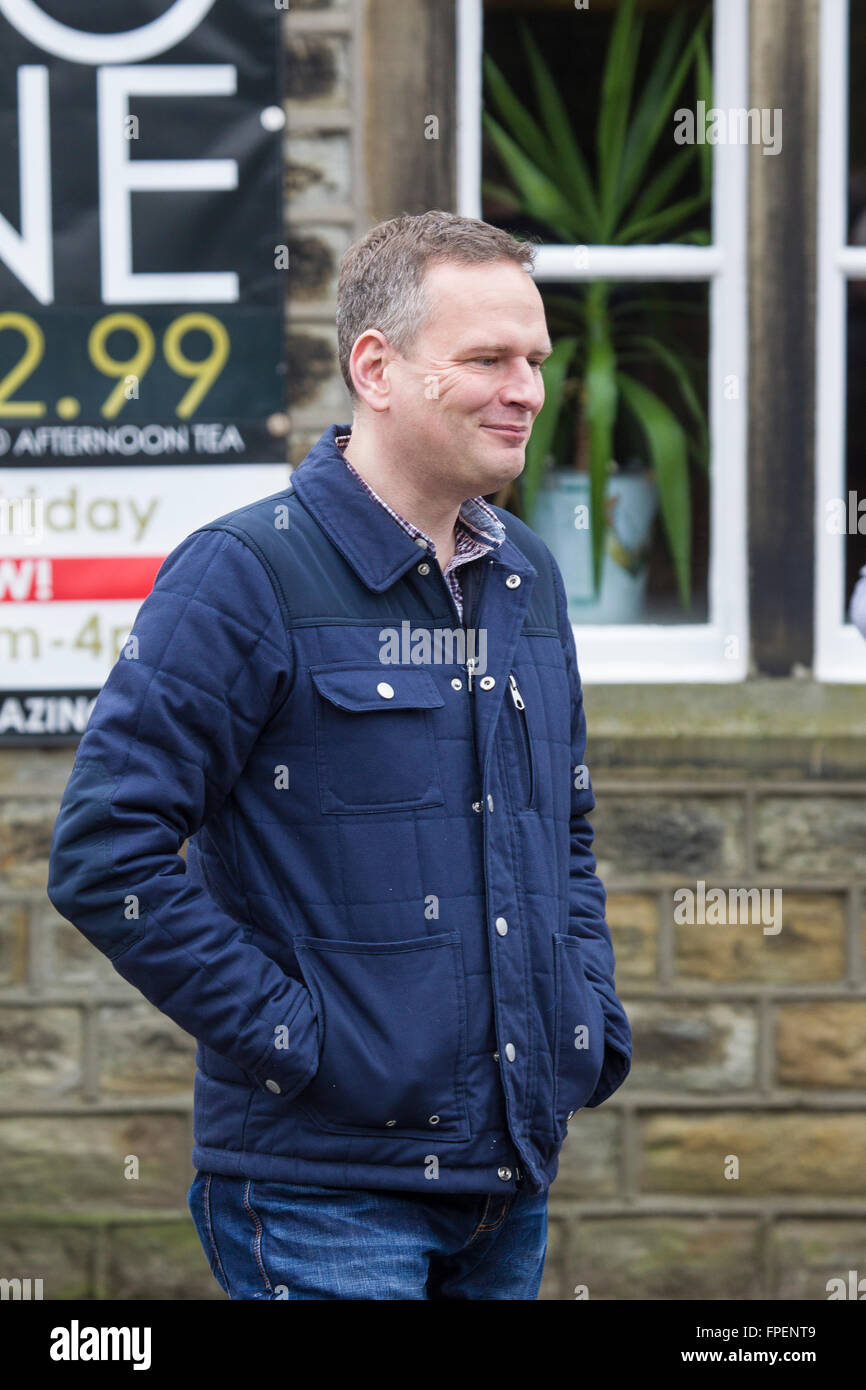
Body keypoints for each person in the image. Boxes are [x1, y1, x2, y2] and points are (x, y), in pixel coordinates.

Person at [46, 210, 632, 1300]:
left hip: (507, 1176)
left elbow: (565, 826)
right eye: (487, 360)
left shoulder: (525, 577)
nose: (527, 391)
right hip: (319, 1194)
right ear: (376, 367)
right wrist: (301, 1041)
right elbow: (103, 855)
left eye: (536, 361)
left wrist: (579, 1017)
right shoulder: (243, 575)